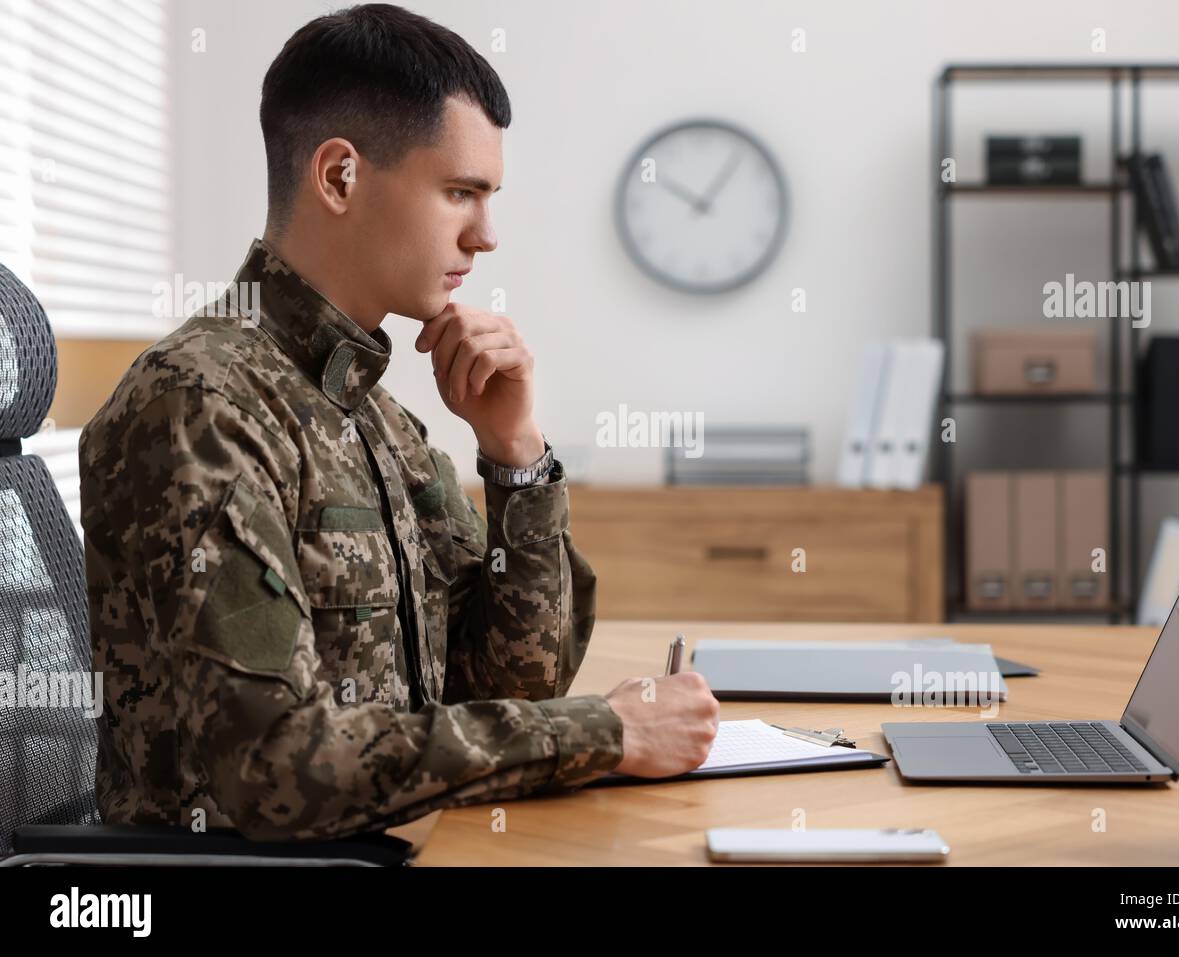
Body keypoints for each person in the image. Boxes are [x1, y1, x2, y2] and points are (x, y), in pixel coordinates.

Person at [79, 3, 718, 841]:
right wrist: (609, 730)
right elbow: (273, 764)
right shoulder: (203, 405)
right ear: (340, 176)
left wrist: (515, 455)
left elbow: (513, 683)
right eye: (461, 192)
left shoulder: (376, 414)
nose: (487, 235)